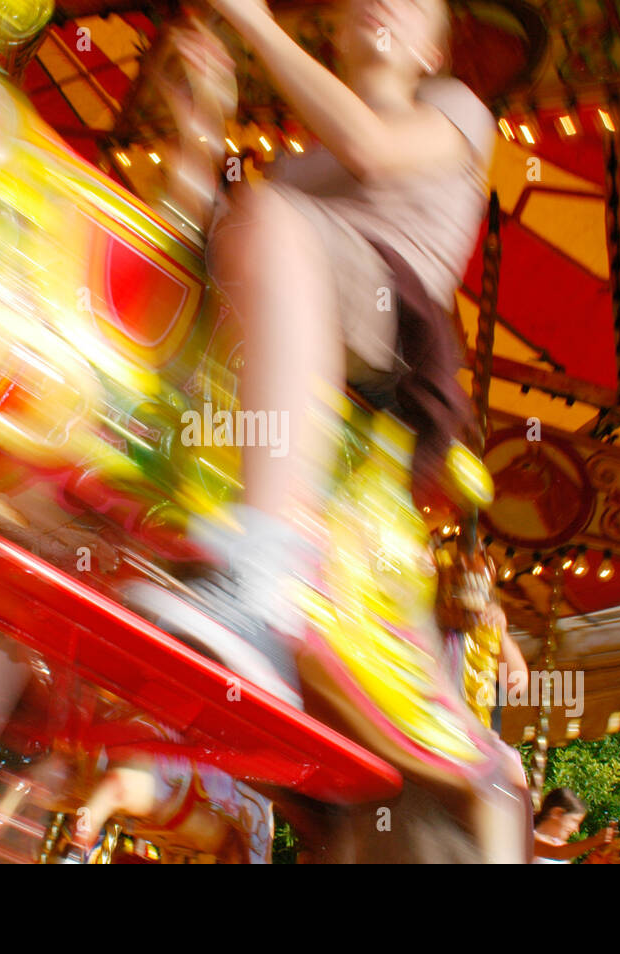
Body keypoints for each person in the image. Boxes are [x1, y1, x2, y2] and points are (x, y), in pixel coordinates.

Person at [124, 0, 497, 708]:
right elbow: (196, 250)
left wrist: (256, 22)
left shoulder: (457, 110)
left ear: (433, 54)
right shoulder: (296, 171)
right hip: (281, 351)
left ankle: (266, 579)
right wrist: (200, 125)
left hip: (387, 324)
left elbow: (373, 150)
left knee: (264, 216)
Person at [532, 788, 614, 864]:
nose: (576, 830)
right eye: (574, 821)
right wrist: (595, 840)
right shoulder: (530, 837)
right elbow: (556, 853)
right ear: (557, 813)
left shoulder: (561, 845)